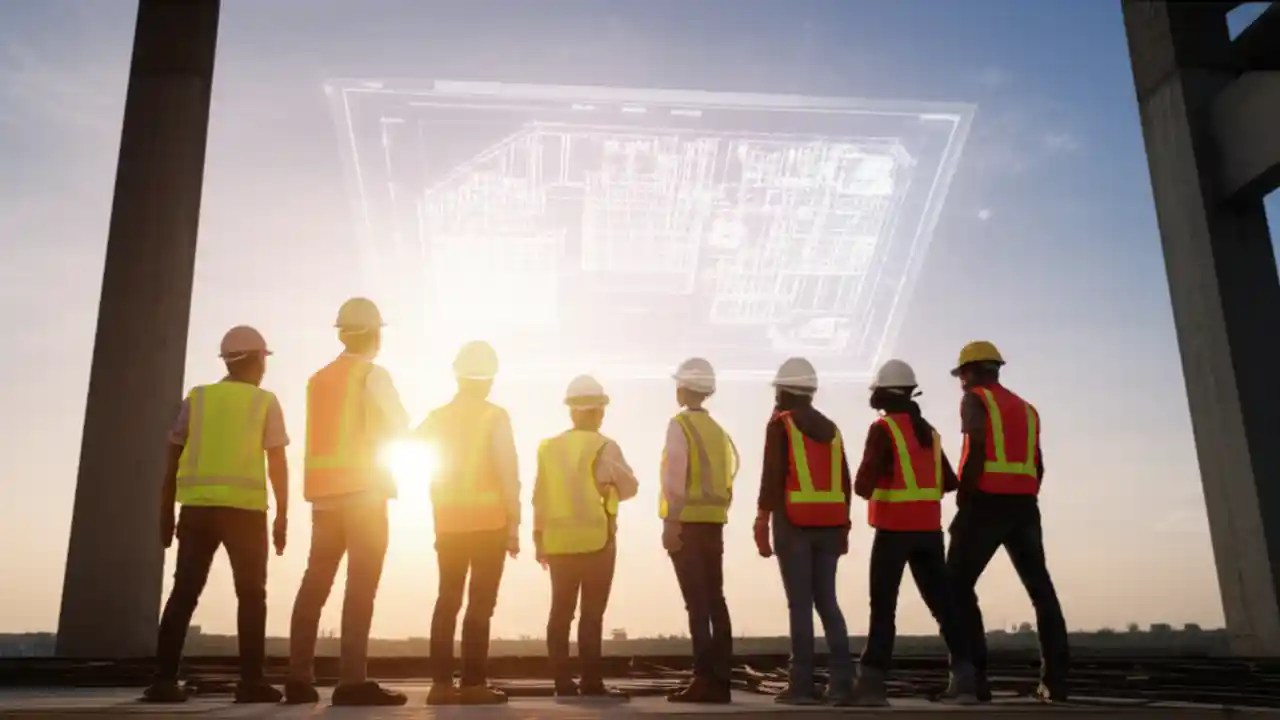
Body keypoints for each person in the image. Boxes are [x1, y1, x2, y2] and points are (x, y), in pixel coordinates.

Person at [143, 326, 288, 704]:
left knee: (184, 593)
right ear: (257, 359)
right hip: (245, 514)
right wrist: (282, 515)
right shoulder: (265, 402)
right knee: (252, 596)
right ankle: (252, 682)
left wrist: (165, 510)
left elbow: (173, 454)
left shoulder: (198, 399)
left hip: (197, 511)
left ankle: (163, 680)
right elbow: (278, 463)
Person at [286, 297, 409, 707]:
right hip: (364, 494)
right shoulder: (371, 375)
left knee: (315, 582)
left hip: (324, 498)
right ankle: (352, 681)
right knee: (360, 588)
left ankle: (298, 677)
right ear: (374, 333)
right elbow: (399, 426)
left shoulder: (319, 379)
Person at [945, 341, 1069, 703]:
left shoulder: (976, 399)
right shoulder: (1027, 410)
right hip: (1024, 506)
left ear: (969, 372)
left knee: (955, 586)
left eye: (961, 375)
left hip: (985, 503)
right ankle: (1056, 682)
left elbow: (977, 450)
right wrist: (1025, 496)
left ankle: (973, 680)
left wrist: (965, 500)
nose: (961, 383)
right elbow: (1038, 463)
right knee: (1041, 591)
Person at [850, 359, 977, 706]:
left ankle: (872, 687)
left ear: (884, 393)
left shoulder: (884, 429)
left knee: (883, 608)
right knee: (944, 607)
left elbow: (862, 485)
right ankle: (965, 683)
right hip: (929, 533)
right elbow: (949, 481)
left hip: (893, 531)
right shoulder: (929, 431)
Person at [417, 340, 521, 706]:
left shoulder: (438, 417)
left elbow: (414, 449)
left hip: (448, 524)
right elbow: (509, 473)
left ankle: (441, 685)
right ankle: (474, 684)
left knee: (447, 600)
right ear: (489, 379)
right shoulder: (495, 417)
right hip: (489, 524)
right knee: (479, 604)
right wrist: (513, 527)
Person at [752, 357, 855, 706]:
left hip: (793, 522)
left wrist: (761, 520)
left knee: (800, 604)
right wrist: (844, 525)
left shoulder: (781, 424)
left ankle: (802, 685)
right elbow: (845, 481)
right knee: (828, 601)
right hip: (830, 523)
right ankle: (843, 683)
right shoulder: (832, 428)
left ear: (782, 390)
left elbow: (772, 476)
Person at [533, 375, 639, 699]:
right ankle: (591, 683)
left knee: (560, 613)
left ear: (571, 412)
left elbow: (540, 496)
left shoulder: (548, 448)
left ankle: (562, 684)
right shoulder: (605, 447)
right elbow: (630, 487)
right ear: (599, 412)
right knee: (591, 615)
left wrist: (539, 539)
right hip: (597, 541)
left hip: (559, 542)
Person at [661, 357, 739, 704]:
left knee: (697, 605)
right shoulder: (718, 431)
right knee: (715, 600)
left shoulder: (680, 426)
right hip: (713, 523)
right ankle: (720, 679)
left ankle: (703, 679)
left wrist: (671, 521)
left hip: (688, 524)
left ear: (683, 387)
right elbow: (728, 476)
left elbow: (674, 478)